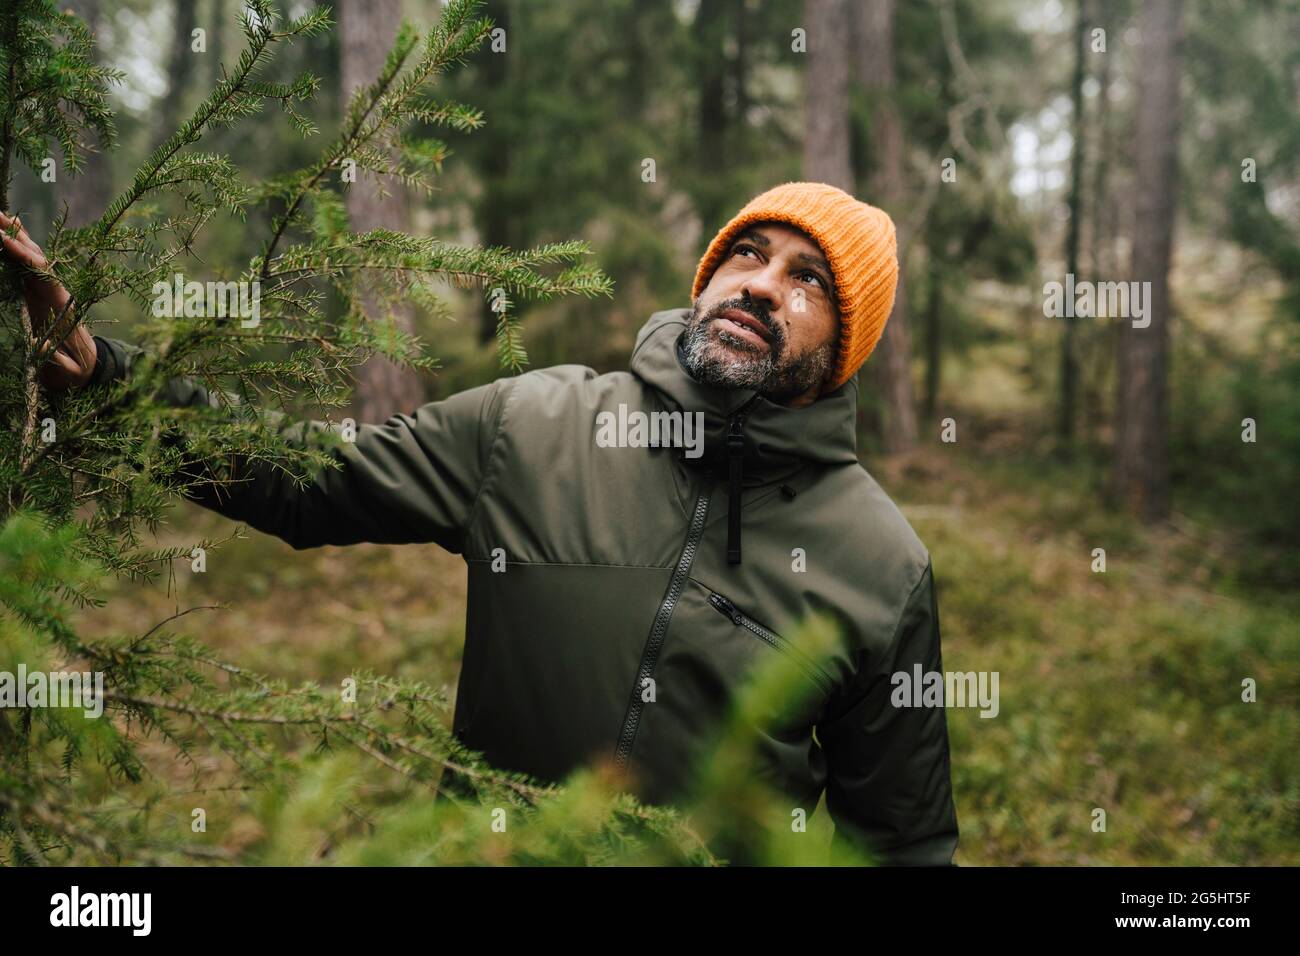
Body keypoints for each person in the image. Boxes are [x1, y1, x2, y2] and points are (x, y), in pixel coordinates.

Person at [1, 181, 959, 865]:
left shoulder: (882, 565)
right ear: (707, 277)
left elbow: (902, 840)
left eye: (809, 280)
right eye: (747, 253)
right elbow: (311, 481)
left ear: (847, 346)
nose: (760, 283)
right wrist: (106, 378)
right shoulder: (535, 422)